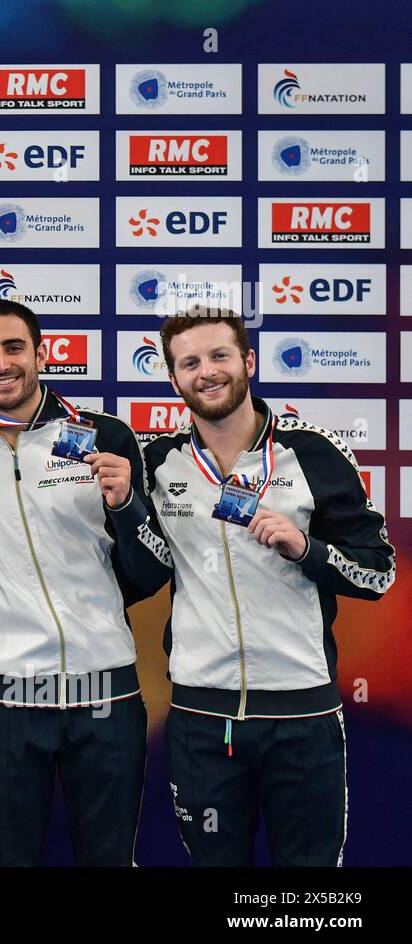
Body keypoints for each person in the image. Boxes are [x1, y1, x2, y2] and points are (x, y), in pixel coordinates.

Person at [146, 309, 394, 866]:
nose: (206, 372)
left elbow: (378, 573)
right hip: (202, 721)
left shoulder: (315, 453)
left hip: (301, 718)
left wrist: (308, 550)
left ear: (248, 362)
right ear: (173, 380)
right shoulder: (158, 464)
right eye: (189, 363)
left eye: (219, 356)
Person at [0, 299, 172, 866]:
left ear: (41, 353)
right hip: (4, 699)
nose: (1, 363)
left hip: (105, 694)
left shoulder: (105, 436)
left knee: (108, 858)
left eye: (14, 347)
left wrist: (129, 506)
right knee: (10, 859)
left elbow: (153, 569)